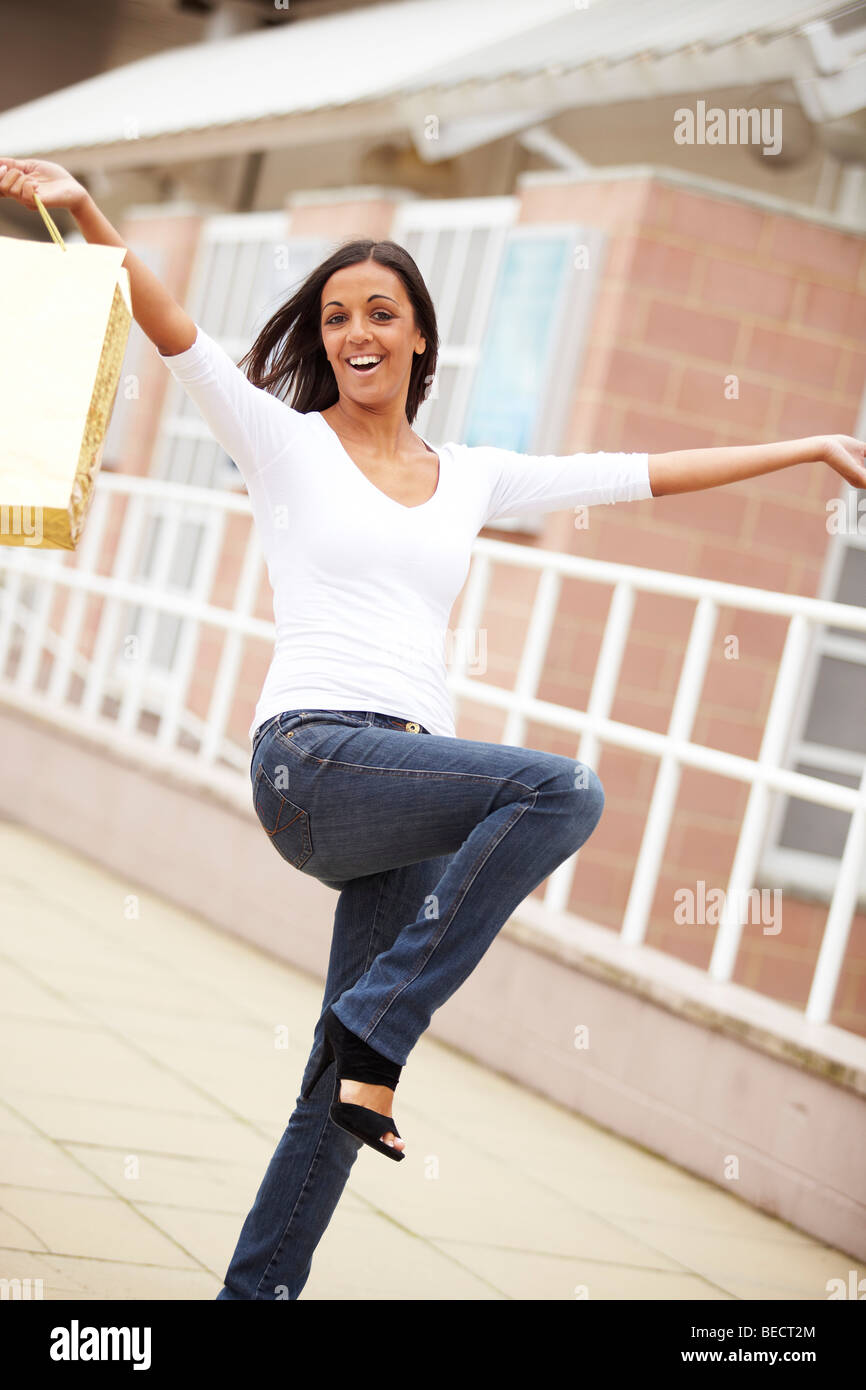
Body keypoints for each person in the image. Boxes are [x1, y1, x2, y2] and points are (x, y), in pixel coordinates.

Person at [3, 155, 864, 1300]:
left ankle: (258, 1280)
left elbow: (634, 473)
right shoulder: (281, 441)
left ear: (417, 338)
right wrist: (81, 212)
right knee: (560, 788)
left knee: (332, 1088)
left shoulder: (468, 477)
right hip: (309, 759)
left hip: (401, 787)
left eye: (380, 314)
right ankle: (382, 1023)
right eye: (335, 316)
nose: (355, 331)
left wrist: (804, 444)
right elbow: (174, 329)